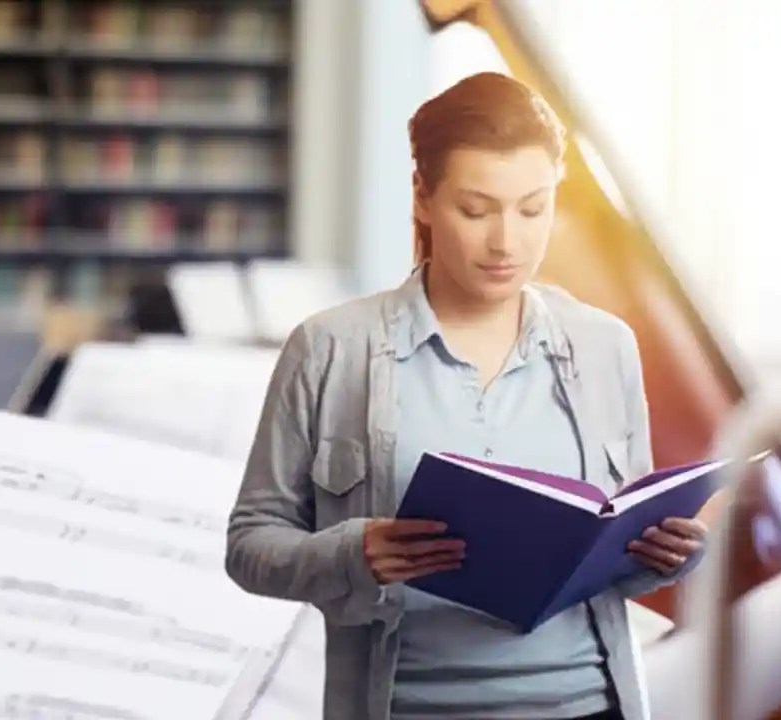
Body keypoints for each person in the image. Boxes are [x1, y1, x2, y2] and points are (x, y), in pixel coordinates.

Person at [225, 72, 707, 720]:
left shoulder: (605, 346)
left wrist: (665, 554)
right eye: (476, 210)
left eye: (533, 209)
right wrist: (352, 551)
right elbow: (250, 546)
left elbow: (621, 543)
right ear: (423, 197)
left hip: (585, 705)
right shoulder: (329, 348)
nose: (507, 242)